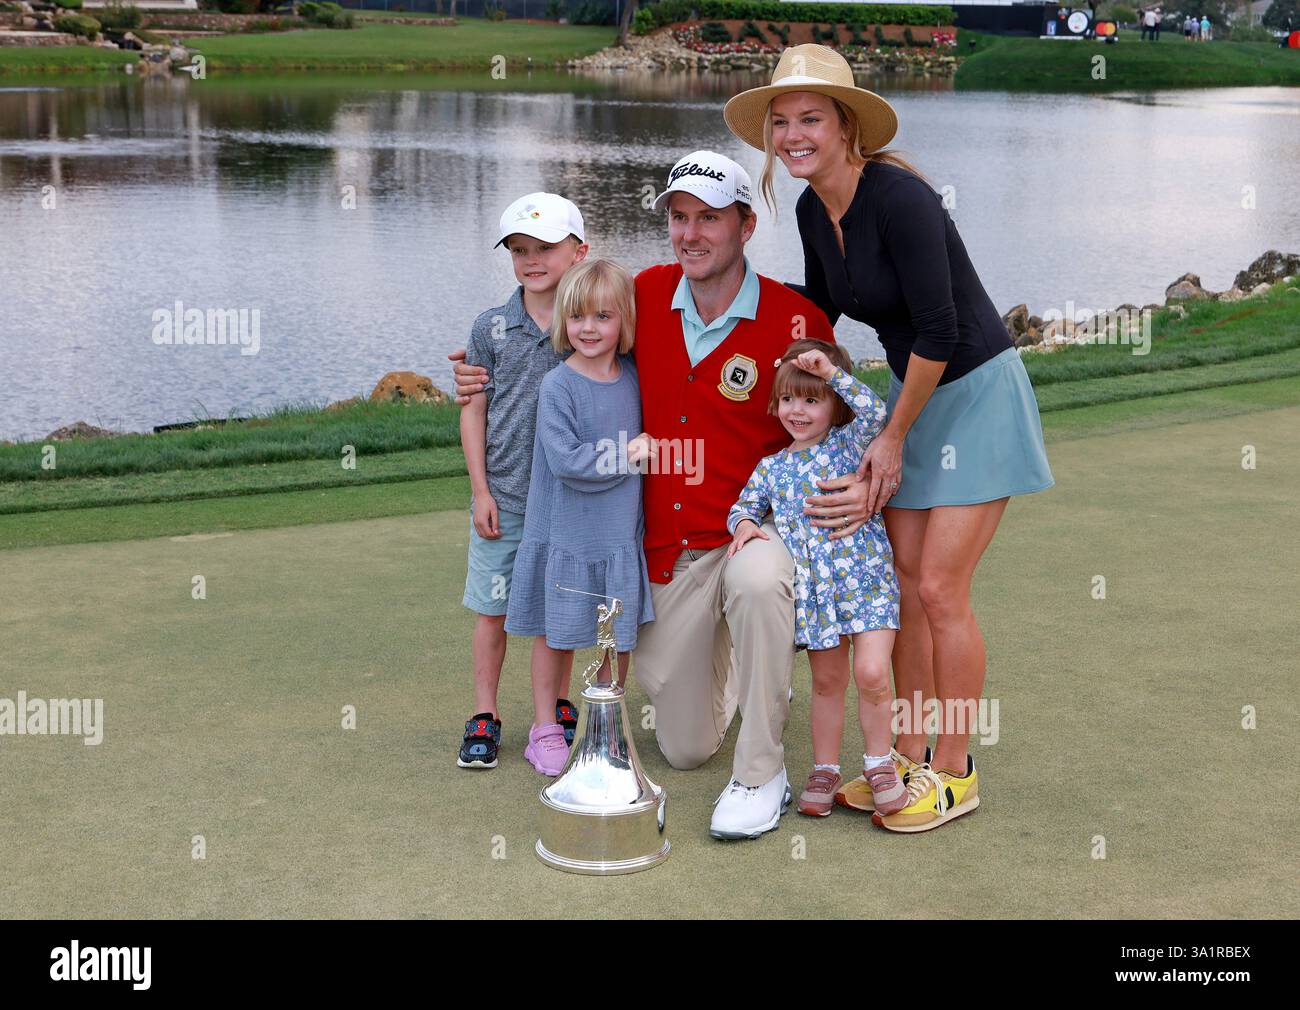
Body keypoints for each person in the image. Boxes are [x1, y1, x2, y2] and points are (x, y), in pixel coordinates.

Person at [452, 151, 859, 840]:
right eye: (678, 218)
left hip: (749, 534)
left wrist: (866, 468)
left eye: (708, 217)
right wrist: (479, 379)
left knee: (760, 585)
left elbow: (824, 415)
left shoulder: (795, 318)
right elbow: (577, 334)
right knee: (686, 746)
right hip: (671, 557)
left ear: (745, 224)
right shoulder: (643, 296)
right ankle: (746, 676)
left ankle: (763, 773)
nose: (691, 233)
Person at [724, 44, 1054, 832]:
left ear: (846, 128)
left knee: (940, 589)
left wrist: (890, 438)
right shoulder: (811, 210)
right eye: (781, 123)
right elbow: (820, 312)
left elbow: (940, 328)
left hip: (971, 393)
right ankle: (903, 756)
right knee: (903, 586)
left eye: (811, 119)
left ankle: (955, 769)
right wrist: (729, 295)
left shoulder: (901, 200)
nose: (794, 135)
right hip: (915, 397)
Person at [727, 340, 907, 819]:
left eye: (812, 399)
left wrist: (833, 372)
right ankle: (825, 768)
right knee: (827, 681)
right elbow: (743, 507)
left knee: (871, 673)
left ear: (833, 404)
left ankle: (878, 763)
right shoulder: (773, 467)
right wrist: (745, 526)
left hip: (867, 584)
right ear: (775, 403)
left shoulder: (849, 445)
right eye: (789, 399)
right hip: (817, 595)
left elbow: (874, 410)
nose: (798, 410)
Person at [504, 258, 656, 775]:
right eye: (577, 318)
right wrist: (627, 455)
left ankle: (605, 721)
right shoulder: (558, 387)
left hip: (617, 534)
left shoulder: (635, 378)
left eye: (603, 317)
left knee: (618, 634)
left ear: (624, 323)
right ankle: (545, 726)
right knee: (556, 634)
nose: (588, 329)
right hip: (566, 533)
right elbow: (568, 462)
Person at [455, 193, 586, 770]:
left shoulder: (593, 322)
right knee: (493, 611)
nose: (532, 260)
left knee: (556, 613)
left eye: (546, 248)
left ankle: (553, 706)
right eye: (519, 250)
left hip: (567, 501)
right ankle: (485, 712)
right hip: (504, 498)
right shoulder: (491, 327)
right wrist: (480, 491)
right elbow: (474, 410)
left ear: (578, 251)